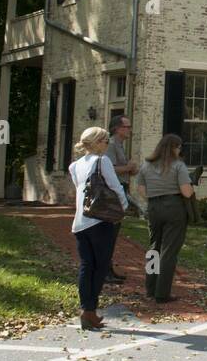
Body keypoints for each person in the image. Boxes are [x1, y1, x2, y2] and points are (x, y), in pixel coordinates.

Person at [68, 126, 129, 330]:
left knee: (87, 265)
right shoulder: (102, 161)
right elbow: (114, 186)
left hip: (80, 222)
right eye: (104, 140)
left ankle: (87, 309)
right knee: (101, 266)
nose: (107, 144)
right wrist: (124, 207)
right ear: (96, 142)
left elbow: (81, 191)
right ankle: (90, 310)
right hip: (100, 220)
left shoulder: (74, 166)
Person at [137, 133, 195, 304]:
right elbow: (186, 192)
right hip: (174, 207)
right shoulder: (178, 166)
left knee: (153, 248)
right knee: (168, 251)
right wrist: (191, 186)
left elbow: (140, 189)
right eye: (178, 147)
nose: (179, 150)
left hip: (154, 207)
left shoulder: (146, 165)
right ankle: (162, 293)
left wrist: (154, 197)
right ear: (173, 148)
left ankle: (150, 287)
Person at [104, 114, 137, 282]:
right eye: (127, 127)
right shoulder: (110, 145)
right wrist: (128, 167)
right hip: (113, 192)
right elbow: (108, 169)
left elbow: (120, 168)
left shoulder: (120, 145)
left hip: (120, 188)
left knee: (114, 231)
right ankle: (104, 271)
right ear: (117, 128)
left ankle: (108, 268)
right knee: (110, 231)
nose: (130, 130)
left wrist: (130, 169)